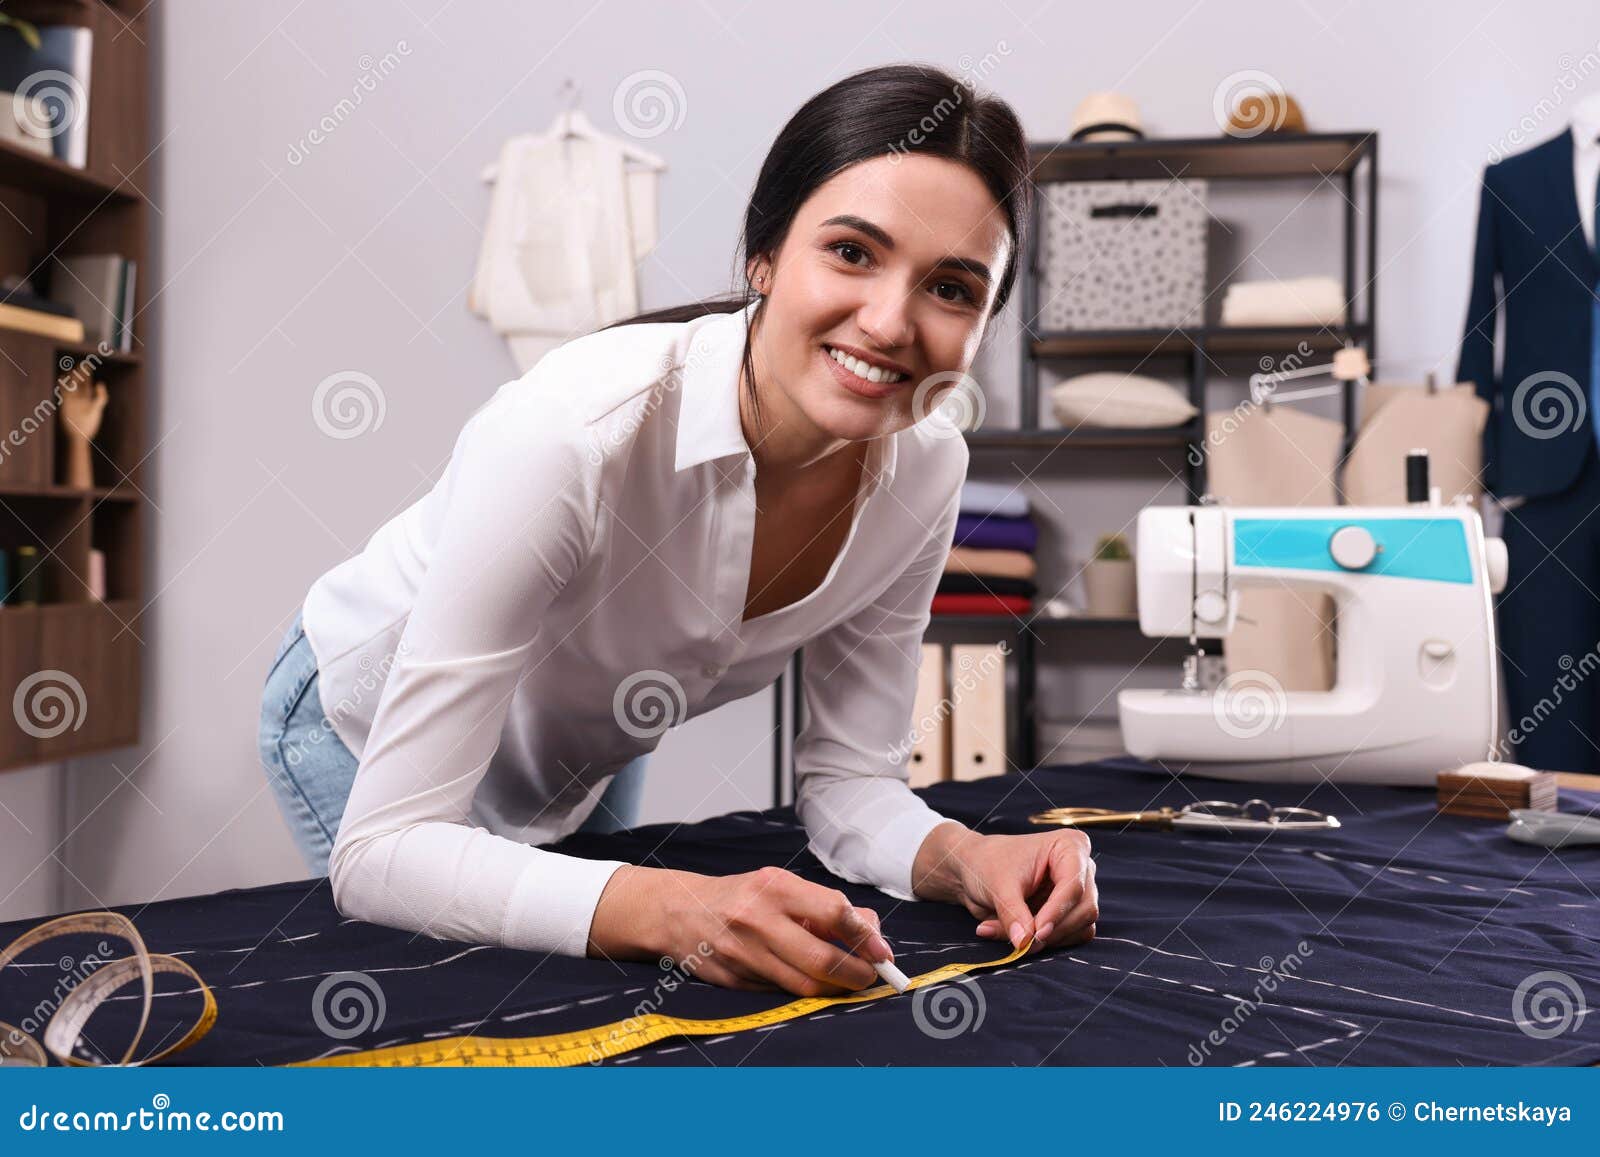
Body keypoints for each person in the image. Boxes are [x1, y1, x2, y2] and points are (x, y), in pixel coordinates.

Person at [257, 63, 1098, 997]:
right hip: (361, 716)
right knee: (440, 1002)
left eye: (950, 288)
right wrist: (679, 907)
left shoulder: (927, 469)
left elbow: (852, 784)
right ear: (765, 257)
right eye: (853, 253)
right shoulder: (572, 431)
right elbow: (386, 850)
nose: (891, 321)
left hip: (583, 735)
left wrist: (965, 856)